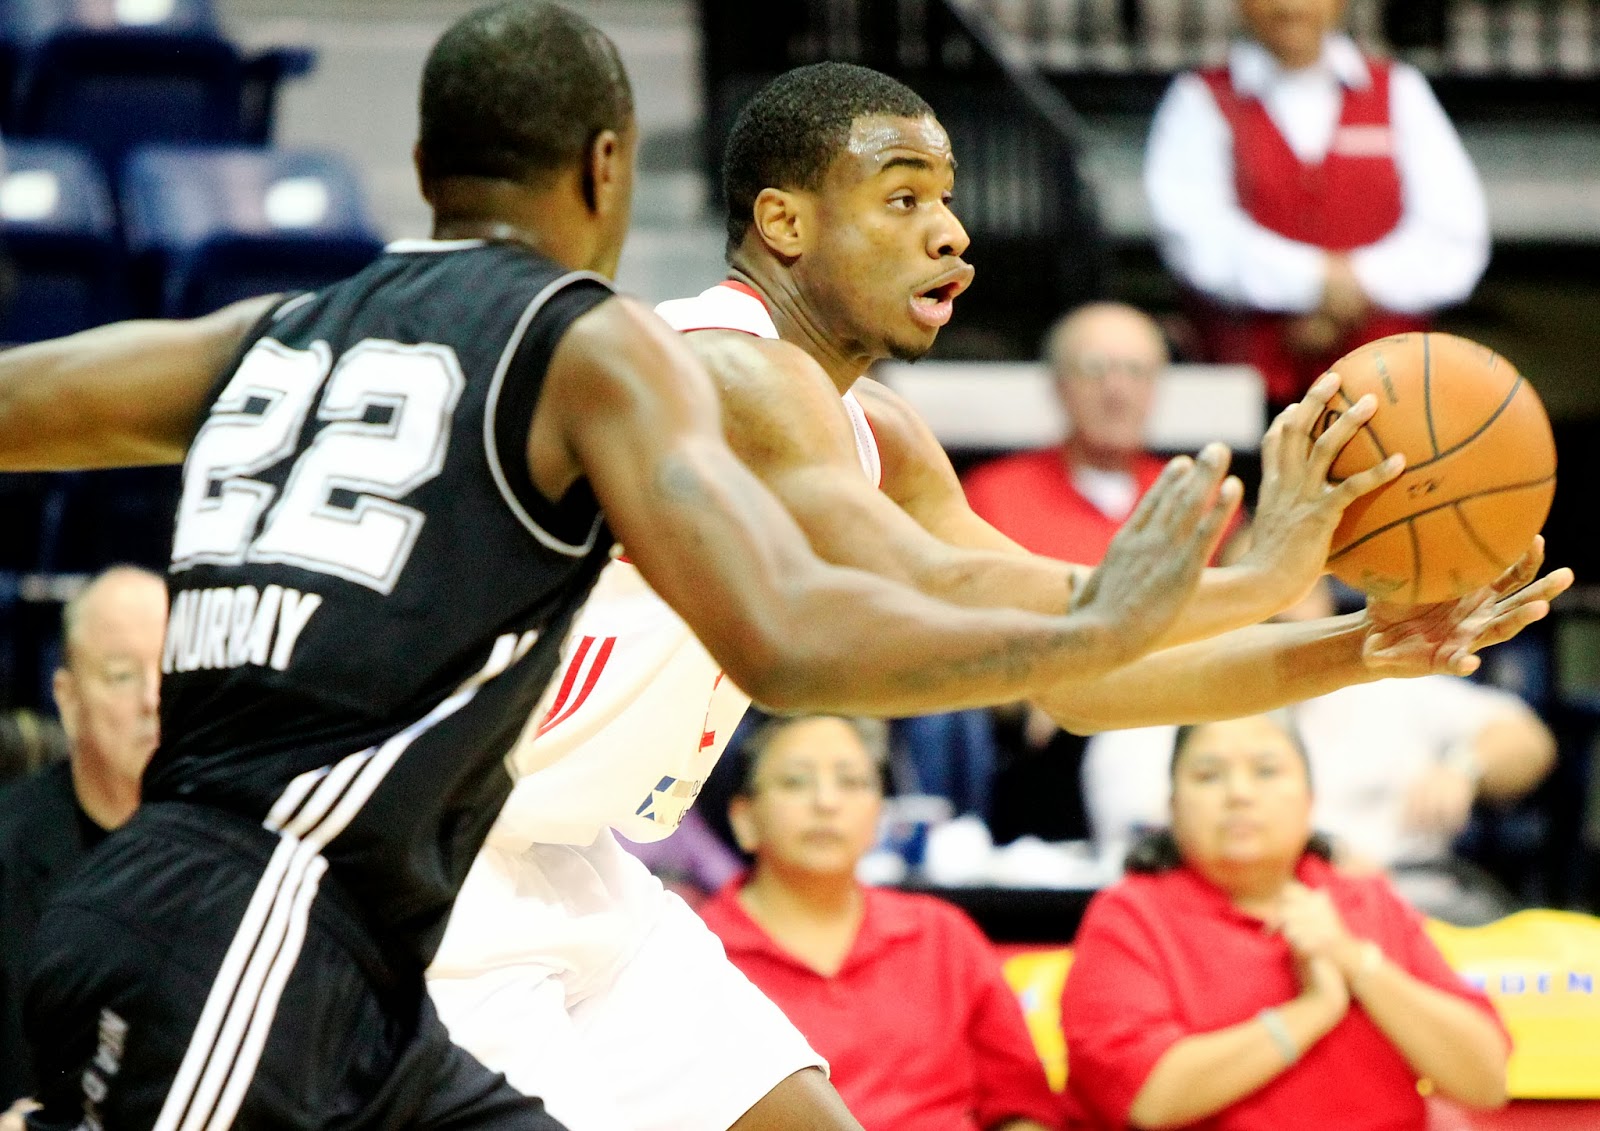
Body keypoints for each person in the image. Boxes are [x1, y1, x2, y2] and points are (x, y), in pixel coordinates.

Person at [0, 6, 1266, 1127]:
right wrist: (1152, 606)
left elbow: (32, 398)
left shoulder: (274, 329)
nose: (950, 235)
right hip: (315, 891)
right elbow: (809, 633)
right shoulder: (613, 358)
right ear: (610, 171)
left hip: (520, 859)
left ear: (425, 167)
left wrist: (1305, 625)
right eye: (905, 199)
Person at [427, 59, 1567, 1131]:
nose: (953, 232)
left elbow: (1075, 675)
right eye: (903, 196)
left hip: (571, 858)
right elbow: (963, 591)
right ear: (784, 223)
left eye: (950, 198)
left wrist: (1361, 647)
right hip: (438, 860)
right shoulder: (727, 368)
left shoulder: (878, 431)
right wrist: (1265, 574)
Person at [1061, 713, 1511, 1130]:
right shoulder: (1130, 916)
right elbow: (1146, 1098)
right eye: (1208, 775)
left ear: (1310, 801)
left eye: (1267, 770)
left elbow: (1486, 1079)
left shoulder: (1366, 902)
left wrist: (1353, 961)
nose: (1239, 793)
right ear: (1173, 807)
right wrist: (1310, 1012)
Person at [1082, 578, 1557, 922]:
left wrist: (1464, 766)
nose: (1285, 615)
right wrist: (1319, 866)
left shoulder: (1387, 682)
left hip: (1408, 904)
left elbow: (1529, 741)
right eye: (1262, 593)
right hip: (1230, 920)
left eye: (1301, 593)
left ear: (1329, 601)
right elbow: (1137, 850)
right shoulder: (1151, 703)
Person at [699, 713, 1061, 1131]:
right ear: (744, 818)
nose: (826, 802)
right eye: (796, 782)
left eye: (852, 782)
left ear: (879, 813)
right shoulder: (695, 955)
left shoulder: (941, 936)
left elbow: (1025, 1108)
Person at [1144, 0, 1490, 409]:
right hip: (1248, 395)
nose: (1289, 7)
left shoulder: (1398, 88)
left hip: (1391, 400)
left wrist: (1355, 284)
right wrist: (1317, 282)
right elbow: (1194, 235)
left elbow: (1453, 235)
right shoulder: (1199, 96)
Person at [0, 567, 165, 1108]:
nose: (152, 699)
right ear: (68, 701)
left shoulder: (238, 839)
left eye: (169, 671)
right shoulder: (8, 847)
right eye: (121, 675)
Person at [961, 302, 1241, 566]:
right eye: (1094, 369)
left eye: (1136, 370)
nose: (1117, 391)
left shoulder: (1202, 502)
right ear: (1059, 385)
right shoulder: (990, 499)